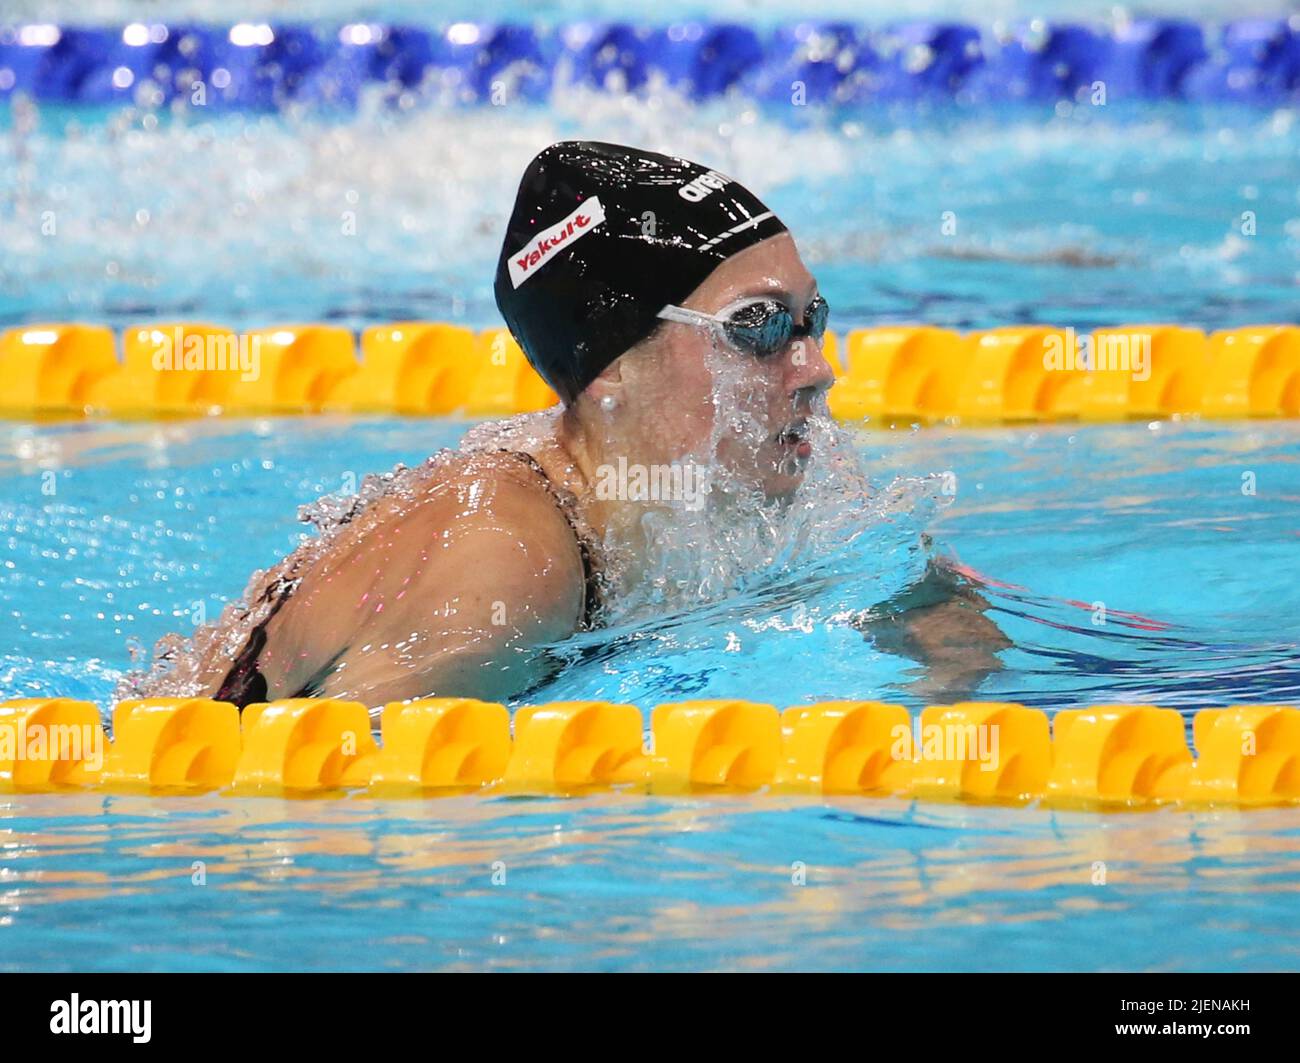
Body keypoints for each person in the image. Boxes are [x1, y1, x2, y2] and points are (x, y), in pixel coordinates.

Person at [132, 141, 1005, 709]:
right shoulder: (506, 570)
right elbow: (328, 836)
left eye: (811, 319)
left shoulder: (688, 474)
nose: (815, 369)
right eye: (758, 328)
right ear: (615, 370)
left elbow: (918, 599)